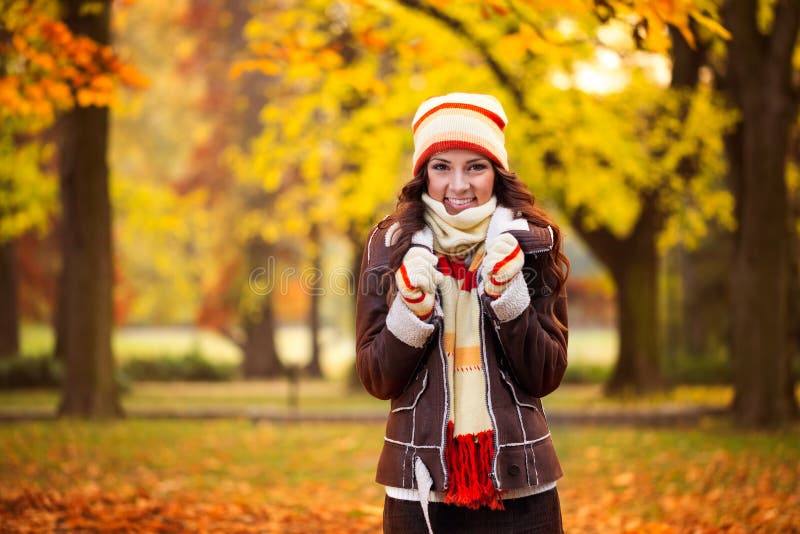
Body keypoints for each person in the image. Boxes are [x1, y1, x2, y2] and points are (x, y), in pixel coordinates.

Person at [355, 92, 569, 534]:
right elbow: (377, 378)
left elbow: (545, 375)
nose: (458, 185)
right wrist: (411, 314)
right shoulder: (390, 246)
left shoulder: (532, 244)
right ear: (423, 175)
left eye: (475, 166)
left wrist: (508, 298)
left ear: (496, 173)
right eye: (441, 167)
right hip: (419, 492)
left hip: (522, 487)